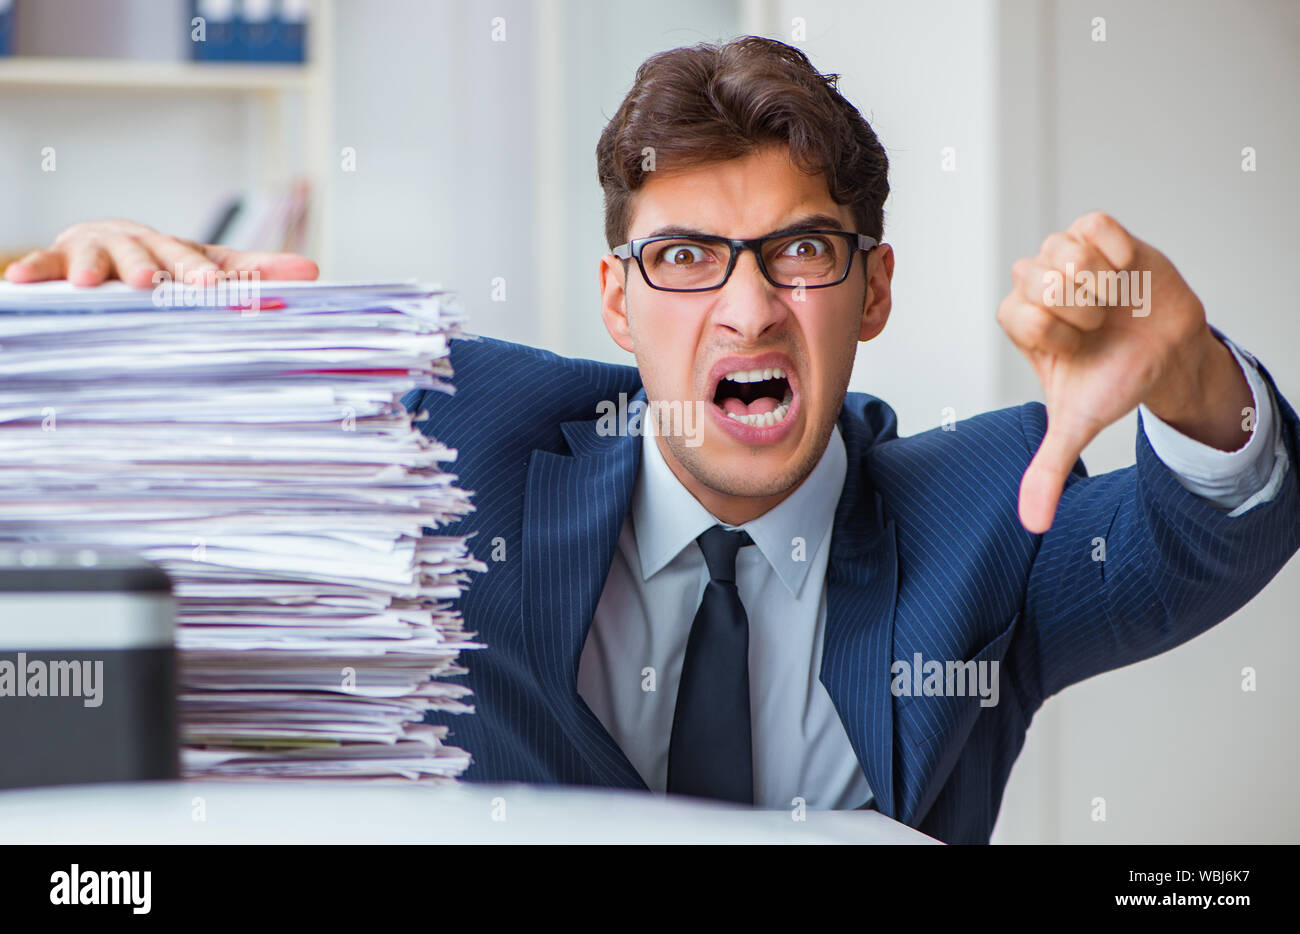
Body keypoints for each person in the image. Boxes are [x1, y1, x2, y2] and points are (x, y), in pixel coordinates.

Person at [7, 36, 1296, 844]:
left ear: (874, 290)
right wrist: (72, 333)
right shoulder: (463, 441)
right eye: (684, 257)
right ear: (618, 298)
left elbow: (1209, 535)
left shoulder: (980, 522)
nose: (748, 307)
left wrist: (1189, 378)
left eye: (800, 251)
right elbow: (142, 489)